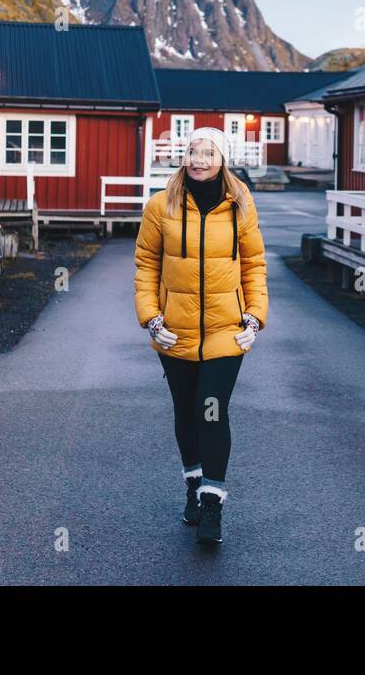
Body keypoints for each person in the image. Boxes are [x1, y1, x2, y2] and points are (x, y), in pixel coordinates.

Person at [133, 127, 268, 546]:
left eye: (209, 152)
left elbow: (255, 265)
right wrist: (152, 318)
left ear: (222, 159)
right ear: (184, 155)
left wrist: (255, 318)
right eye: (193, 150)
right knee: (186, 410)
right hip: (174, 331)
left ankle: (213, 501)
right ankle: (193, 484)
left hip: (227, 331)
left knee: (210, 410)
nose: (200, 159)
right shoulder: (160, 205)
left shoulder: (241, 205)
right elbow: (145, 266)